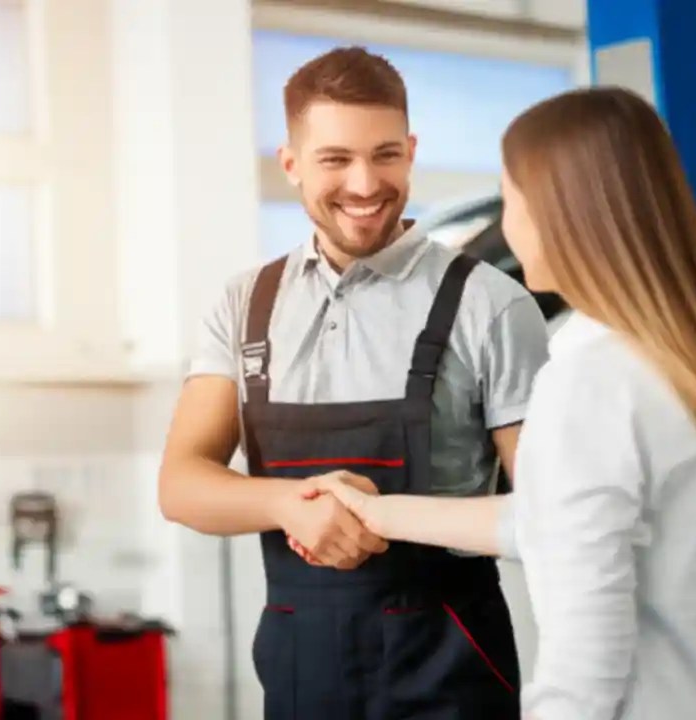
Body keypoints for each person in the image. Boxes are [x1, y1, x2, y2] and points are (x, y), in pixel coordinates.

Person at [305, 86, 696, 720]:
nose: (506, 225)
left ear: (562, 215)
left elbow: (585, 674)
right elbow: (562, 524)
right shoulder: (692, 361)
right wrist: (380, 513)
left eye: (510, 199)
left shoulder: (592, 382)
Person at [156, 46, 551, 719]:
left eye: (385, 155)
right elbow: (180, 485)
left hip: (451, 672)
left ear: (411, 151)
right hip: (301, 674)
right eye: (335, 159)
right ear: (291, 164)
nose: (365, 184)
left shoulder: (491, 304)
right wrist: (288, 505)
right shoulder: (244, 305)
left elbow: (550, 516)